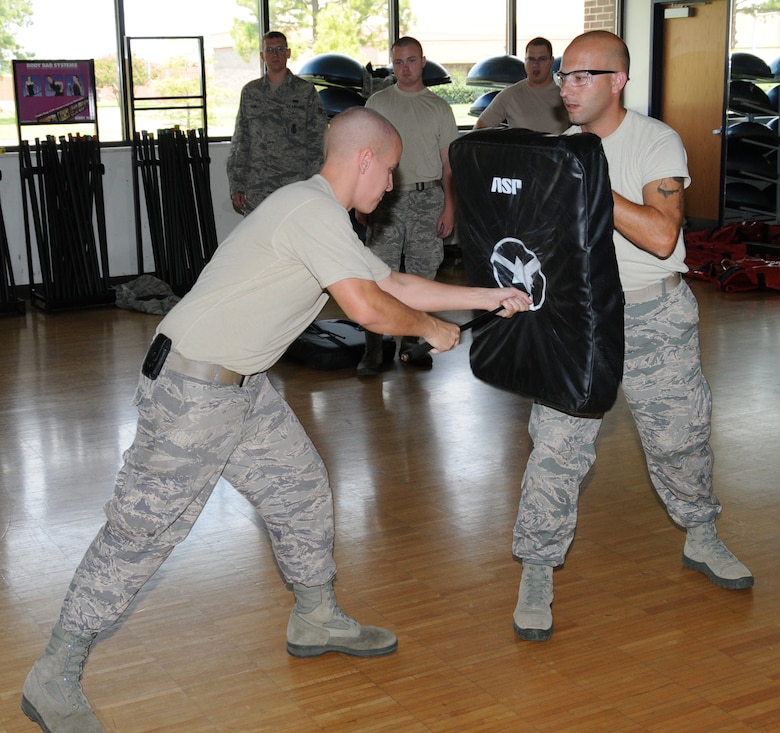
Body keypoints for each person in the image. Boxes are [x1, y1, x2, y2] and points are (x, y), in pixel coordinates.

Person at [21, 106, 532, 733]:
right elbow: (370, 309)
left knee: (299, 488)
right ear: (364, 158)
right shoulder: (310, 211)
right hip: (193, 391)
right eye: (390, 170)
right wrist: (432, 331)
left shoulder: (321, 216)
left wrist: (488, 295)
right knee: (141, 534)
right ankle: (54, 673)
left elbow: (393, 283)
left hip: (242, 385)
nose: (392, 184)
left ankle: (315, 617)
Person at [512, 30, 754, 643]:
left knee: (680, 441)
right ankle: (537, 568)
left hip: (654, 317)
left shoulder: (655, 142)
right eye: (563, 76)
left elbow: (662, 236)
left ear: (617, 81)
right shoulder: (561, 148)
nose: (566, 88)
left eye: (580, 76)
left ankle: (701, 535)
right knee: (556, 451)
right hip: (579, 323)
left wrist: (589, 180)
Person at [357, 36, 460, 375]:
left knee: (422, 273)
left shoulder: (439, 107)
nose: (405, 68)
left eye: (411, 60)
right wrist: (362, 202)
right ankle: (373, 350)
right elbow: (364, 156)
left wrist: (450, 208)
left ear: (423, 61)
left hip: (427, 198)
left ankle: (412, 344)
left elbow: (449, 166)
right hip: (385, 198)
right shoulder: (378, 102)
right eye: (398, 62)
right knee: (376, 274)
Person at [226, 31, 328, 216]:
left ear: (288, 53)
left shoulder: (305, 92)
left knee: (295, 233)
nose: (275, 54)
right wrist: (237, 184)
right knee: (257, 234)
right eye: (270, 50)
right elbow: (241, 140)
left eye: (280, 49)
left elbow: (318, 142)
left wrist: (315, 184)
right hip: (257, 186)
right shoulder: (251, 92)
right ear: (262, 55)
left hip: (295, 186)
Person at [474, 37, 568, 134]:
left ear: (551, 61)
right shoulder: (510, 95)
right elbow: (479, 131)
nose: (536, 64)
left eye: (542, 59)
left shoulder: (565, 93)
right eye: (531, 59)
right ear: (525, 61)